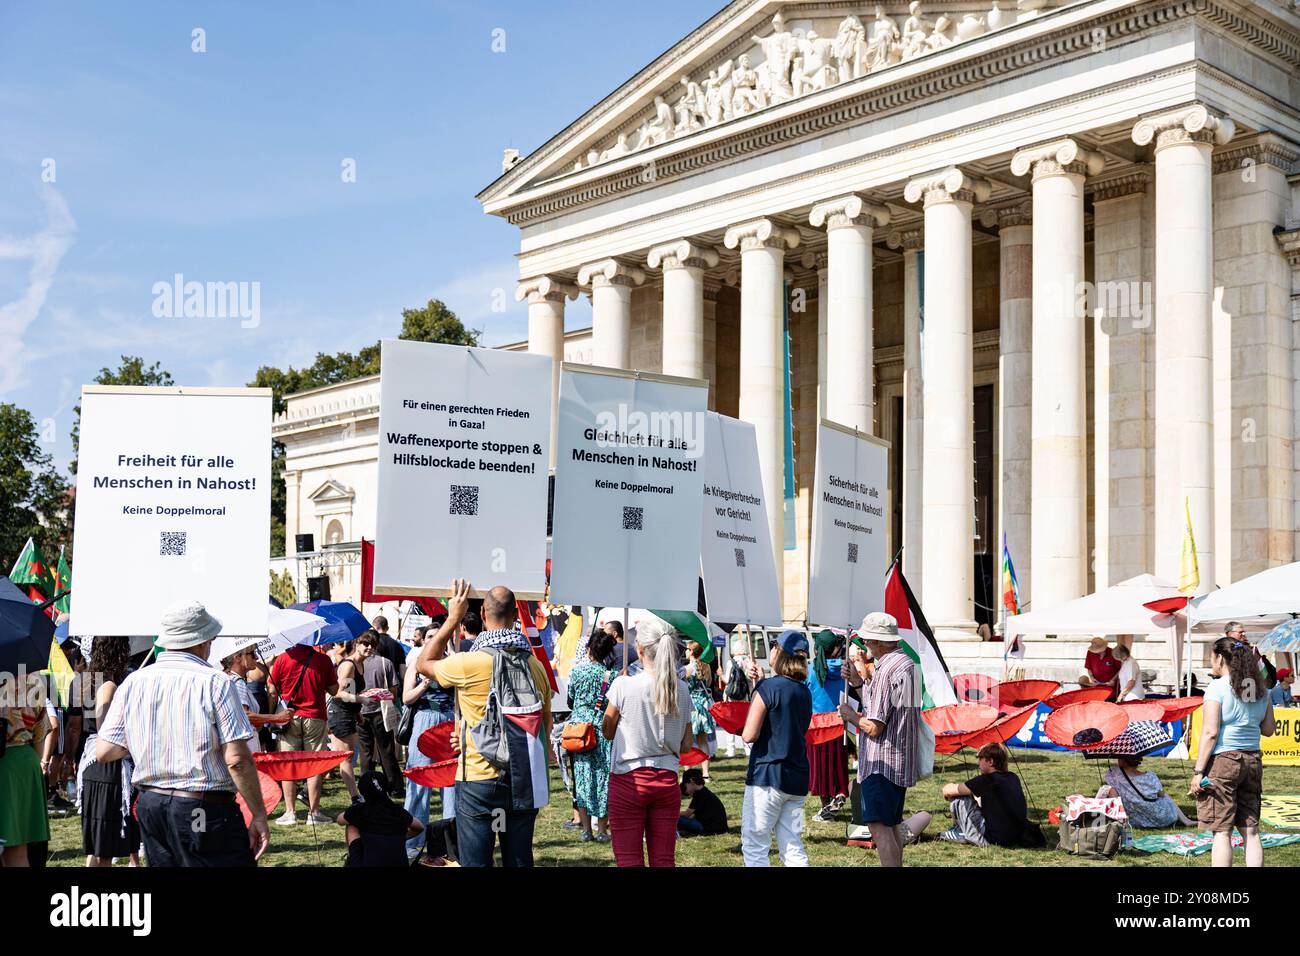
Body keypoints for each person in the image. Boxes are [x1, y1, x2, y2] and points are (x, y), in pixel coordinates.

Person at [96, 601, 269, 866]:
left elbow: (105, 750)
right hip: (200, 805)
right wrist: (258, 814)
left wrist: (153, 740)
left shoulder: (134, 682)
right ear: (202, 642)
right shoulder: (214, 682)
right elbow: (236, 759)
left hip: (153, 804)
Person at [416, 580, 553, 868]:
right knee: (518, 860)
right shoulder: (536, 666)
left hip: (479, 777)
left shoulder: (469, 663)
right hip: (522, 778)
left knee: (476, 862)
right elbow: (545, 726)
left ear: (482, 616)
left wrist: (453, 617)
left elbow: (423, 663)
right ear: (516, 616)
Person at [602, 617, 693, 867]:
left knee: (629, 859)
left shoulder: (624, 685)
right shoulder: (682, 690)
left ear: (639, 649)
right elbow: (687, 745)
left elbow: (607, 731)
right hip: (666, 779)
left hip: (628, 777)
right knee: (664, 859)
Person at [839, 611, 921, 868]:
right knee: (891, 826)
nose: (865, 646)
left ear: (880, 642)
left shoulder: (886, 670)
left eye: (868, 641)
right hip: (899, 759)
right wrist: (858, 681)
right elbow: (886, 707)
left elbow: (874, 727)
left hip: (881, 762)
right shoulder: (908, 664)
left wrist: (851, 716)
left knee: (878, 827)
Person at [1190, 635, 1276, 868]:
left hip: (1224, 761)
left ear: (1220, 657)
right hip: (1252, 760)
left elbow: (1210, 732)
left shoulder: (1217, 687)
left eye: (1212, 657)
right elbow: (1268, 729)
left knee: (1222, 830)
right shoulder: (1261, 688)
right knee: (1251, 829)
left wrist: (1198, 771)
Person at [740, 629, 813, 867]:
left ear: (779, 652)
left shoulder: (769, 688)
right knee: (792, 845)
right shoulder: (804, 691)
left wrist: (761, 687)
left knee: (755, 845)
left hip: (767, 776)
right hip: (796, 778)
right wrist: (761, 682)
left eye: (773, 645)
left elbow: (749, 734)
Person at [78, 636, 141, 866]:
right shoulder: (109, 685)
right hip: (107, 769)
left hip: (93, 765)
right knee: (105, 848)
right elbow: (106, 732)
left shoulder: (88, 681)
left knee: (98, 847)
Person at [268, 640, 338, 825]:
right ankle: (314, 813)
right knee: (314, 764)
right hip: (315, 716)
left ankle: (290, 812)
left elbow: (272, 690)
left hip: (288, 717)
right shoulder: (323, 660)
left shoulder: (282, 659)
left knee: (288, 764)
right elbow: (334, 689)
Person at [402, 626, 457, 860]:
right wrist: (424, 684)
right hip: (424, 719)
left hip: (449, 721)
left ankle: (450, 841)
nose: (435, 640)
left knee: (451, 782)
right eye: (430, 637)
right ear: (424, 641)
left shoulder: (452, 663)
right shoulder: (415, 664)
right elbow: (406, 698)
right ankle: (413, 839)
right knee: (419, 777)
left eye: (439, 637)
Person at [929, 742, 1033, 847]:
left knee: (959, 796)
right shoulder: (1013, 777)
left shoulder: (988, 779)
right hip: (1017, 837)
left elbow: (949, 791)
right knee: (974, 796)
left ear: (991, 761)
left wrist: (948, 787)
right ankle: (962, 830)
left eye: (980, 759)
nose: (978, 763)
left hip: (992, 839)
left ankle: (960, 831)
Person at [567, 627, 617, 842]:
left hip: (580, 731)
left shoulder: (577, 672)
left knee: (583, 777)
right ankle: (602, 830)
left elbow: (571, 699)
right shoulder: (612, 676)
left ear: (588, 650)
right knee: (603, 777)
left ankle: (586, 829)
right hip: (602, 729)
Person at [0, 675, 52, 866]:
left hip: (7, 763)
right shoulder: (32, 678)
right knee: (18, 851)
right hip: (25, 761)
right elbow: (41, 730)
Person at [326, 636, 382, 804]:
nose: (369, 647)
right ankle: (355, 797)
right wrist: (362, 700)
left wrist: (357, 712)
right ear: (357, 644)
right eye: (366, 643)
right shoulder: (349, 665)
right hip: (339, 713)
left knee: (343, 757)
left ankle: (308, 792)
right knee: (345, 758)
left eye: (373, 644)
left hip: (348, 713)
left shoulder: (360, 664)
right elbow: (338, 693)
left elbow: (349, 693)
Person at [338, 771, 424, 867]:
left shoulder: (360, 810)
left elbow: (340, 820)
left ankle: (351, 859)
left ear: (362, 791)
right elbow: (419, 827)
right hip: (399, 862)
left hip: (369, 862)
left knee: (352, 824)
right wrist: (400, 837)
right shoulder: (397, 810)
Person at [807, 629, 849, 822]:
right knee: (838, 763)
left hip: (817, 725)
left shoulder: (810, 670)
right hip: (839, 722)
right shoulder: (845, 668)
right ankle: (840, 790)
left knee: (820, 768)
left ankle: (827, 808)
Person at [358, 630, 402, 795]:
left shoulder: (355, 663)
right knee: (386, 750)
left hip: (361, 712)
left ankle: (366, 787)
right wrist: (381, 693)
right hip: (380, 711)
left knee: (366, 752)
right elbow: (394, 692)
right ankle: (394, 786)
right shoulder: (386, 663)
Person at [1098, 755, 1194, 828]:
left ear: (1123, 762)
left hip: (1137, 819)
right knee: (1163, 795)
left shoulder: (1114, 775)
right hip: (1164, 817)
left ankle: (1117, 818)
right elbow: (1161, 795)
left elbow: (1108, 786)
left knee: (1109, 789)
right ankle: (1185, 820)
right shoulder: (1151, 776)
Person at [221, 639, 263, 752]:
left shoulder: (229, 679)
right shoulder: (237, 681)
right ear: (238, 658)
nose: (257, 658)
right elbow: (245, 716)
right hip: (246, 746)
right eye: (252, 654)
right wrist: (277, 718)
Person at [684, 640, 716, 780]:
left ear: (691, 651)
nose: (685, 651)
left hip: (692, 706)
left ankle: (687, 773)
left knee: (687, 740)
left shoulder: (688, 668)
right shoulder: (706, 666)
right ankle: (706, 774)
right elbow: (709, 684)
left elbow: (686, 688)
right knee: (703, 741)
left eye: (687, 649)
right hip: (704, 705)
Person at [722, 634, 755, 758]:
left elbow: (726, 680)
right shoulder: (749, 661)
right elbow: (751, 680)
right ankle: (748, 749)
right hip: (746, 697)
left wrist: (720, 675)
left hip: (731, 698)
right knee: (746, 722)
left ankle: (731, 749)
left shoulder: (731, 662)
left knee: (730, 722)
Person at [677, 767, 727, 837]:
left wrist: (673, 813)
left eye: (685, 785)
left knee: (676, 819)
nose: (685, 788)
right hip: (718, 827)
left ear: (692, 781)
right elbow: (693, 815)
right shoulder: (704, 792)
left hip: (709, 828)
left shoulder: (699, 794)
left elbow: (687, 814)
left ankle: (674, 831)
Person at [371, 614, 407, 686]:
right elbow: (403, 673)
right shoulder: (398, 645)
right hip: (393, 684)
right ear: (387, 628)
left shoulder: (371, 644)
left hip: (375, 682)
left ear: (374, 628)